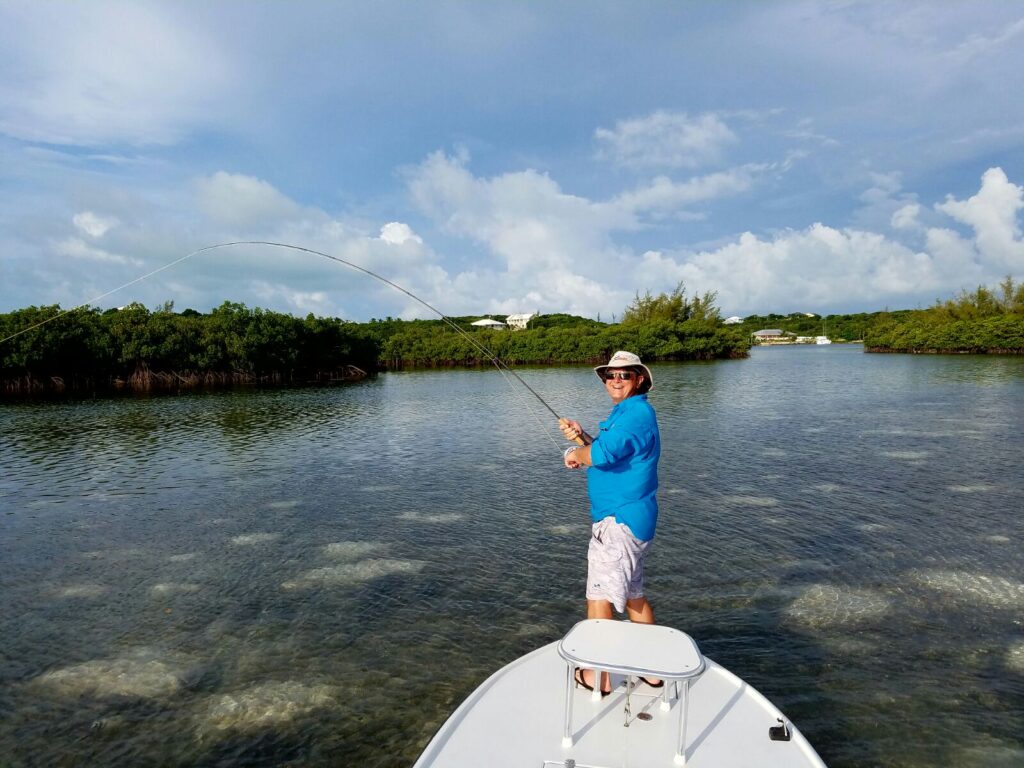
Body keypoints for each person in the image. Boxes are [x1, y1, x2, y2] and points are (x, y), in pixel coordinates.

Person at [560, 350, 662, 696]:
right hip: (633, 521)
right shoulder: (628, 413)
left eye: (624, 375)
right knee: (634, 595)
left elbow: (601, 456)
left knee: (599, 599)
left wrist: (576, 455)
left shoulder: (635, 414)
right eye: (610, 375)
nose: (615, 380)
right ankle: (654, 670)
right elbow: (609, 451)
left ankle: (599, 678)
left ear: (639, 379)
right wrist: (582, 437)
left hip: (618, 523)